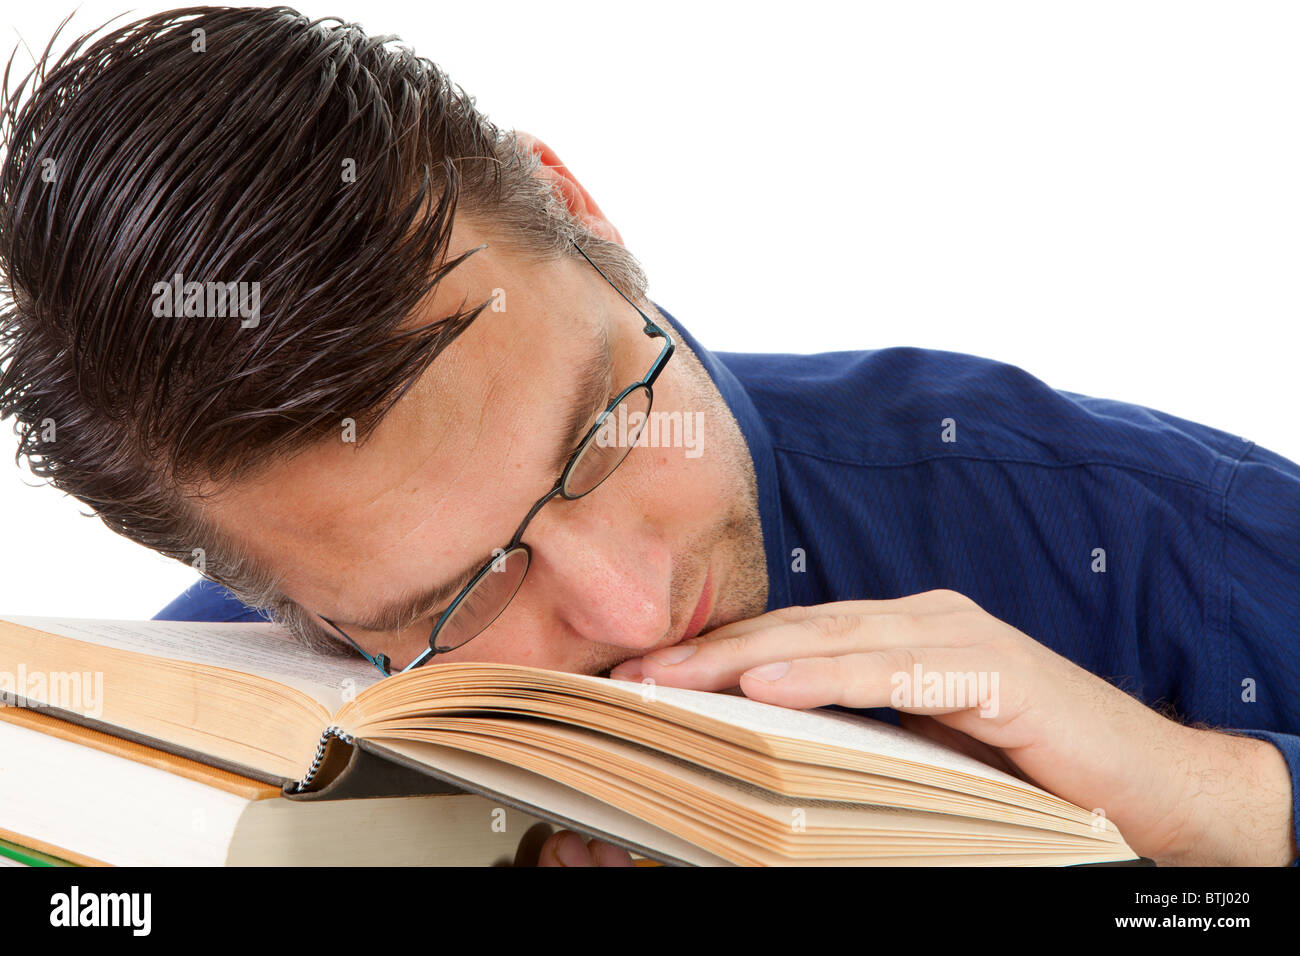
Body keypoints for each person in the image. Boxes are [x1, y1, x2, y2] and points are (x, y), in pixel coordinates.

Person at [1, 7, 1294, 867]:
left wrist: (1217, 804)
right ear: (287, 608)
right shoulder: (181, 756)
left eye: (606, 431)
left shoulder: (1142, 525)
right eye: (458, 593)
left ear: (581, 214)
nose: (629, 612)